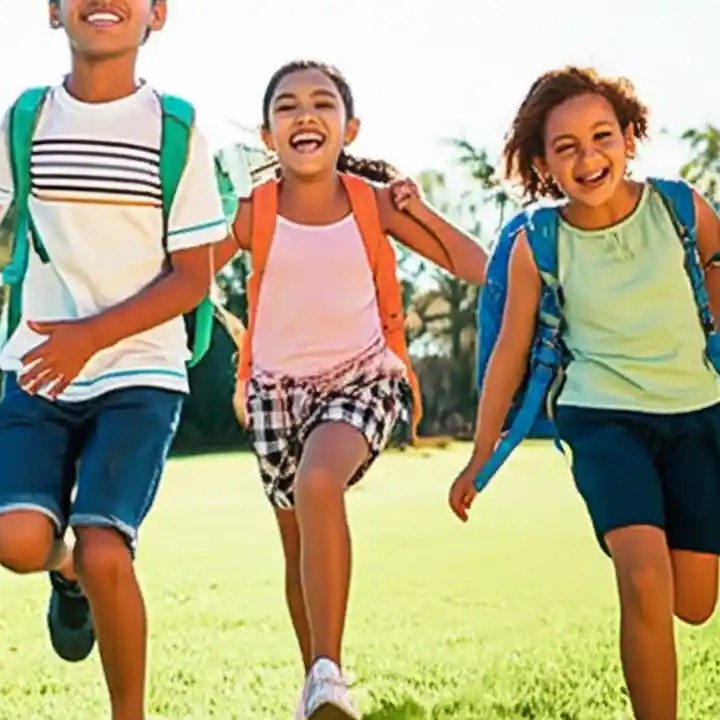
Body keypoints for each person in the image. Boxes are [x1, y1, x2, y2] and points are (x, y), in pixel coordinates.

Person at [0, 2, 227, 717]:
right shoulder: (28, 117)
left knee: (105, 549)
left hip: (140, 371)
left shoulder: (177, 127)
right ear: (53, 10)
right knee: (18, 541)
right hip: (38, 369)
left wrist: (90, 337)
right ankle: (65, 576)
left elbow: (192, 279)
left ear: (158, 13)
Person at [214, 60, 487, 719]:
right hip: (274, 395)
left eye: (322, 103)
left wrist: (417, 209)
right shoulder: (252, 213)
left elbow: (477, 266)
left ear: (349, 127)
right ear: (266, 133)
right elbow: (179, 273)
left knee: (316, 484)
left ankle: (331, 671)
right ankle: (317, 683)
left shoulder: (372, 204)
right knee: (295, 539)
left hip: (363, 380)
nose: (305, 114)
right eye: (287, 106)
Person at [451, 66, 720, 720]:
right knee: (644, 578)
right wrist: (480, 454)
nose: (588, 156)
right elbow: (509, 354)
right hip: (602, 421)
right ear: (543, 163)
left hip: (697, 415)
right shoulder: (538, 242)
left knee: (692, 600)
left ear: (630, 138)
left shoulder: (682, 208)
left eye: (602, 136)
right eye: (565, 147)